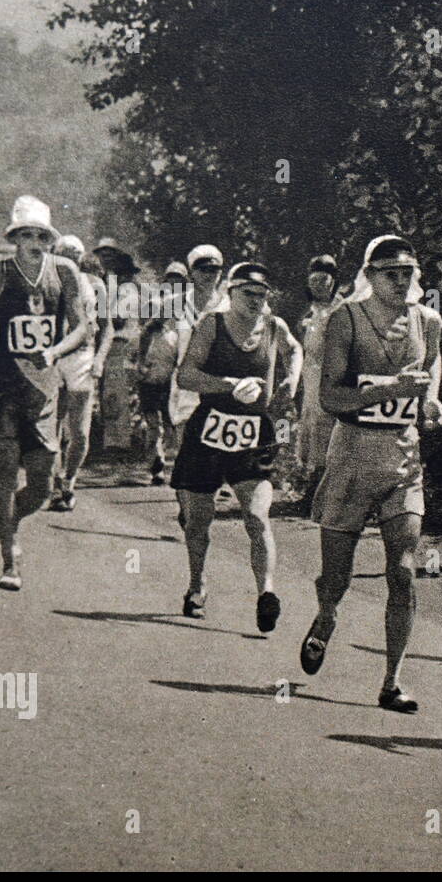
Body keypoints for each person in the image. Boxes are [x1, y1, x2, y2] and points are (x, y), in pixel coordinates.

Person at [297, 235, 442, 712]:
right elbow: (332, 398)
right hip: (352, 456)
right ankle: (326, 617)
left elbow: (431, 365)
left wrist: (430, 401)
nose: (401, 282)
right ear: (370, 276)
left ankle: (392, 680)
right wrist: (389, 389)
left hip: (403, 459)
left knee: (402, 572)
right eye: (390, 274)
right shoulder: (347, 320)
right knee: (335, 576)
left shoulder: (428, 321)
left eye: (408, 273)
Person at [0, 196, 90, 588]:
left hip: (44, 390)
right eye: (26, 235)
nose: (34, 242)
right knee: (7, 473)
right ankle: (11, 559)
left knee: (41, 486)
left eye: (40, 235)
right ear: (15, 238)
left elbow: (83, 328)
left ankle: (5, 521)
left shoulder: (66, 272)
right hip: (3, 388)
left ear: (49, 239)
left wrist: (56, 351)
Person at [170, 262, 302, 630]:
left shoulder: (275, 327)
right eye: (248, 294)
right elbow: (186, 375)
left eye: (262, 295)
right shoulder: (212, 325)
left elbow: (296, 352)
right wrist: (230, 384)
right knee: (198, 519)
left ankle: (267, 593)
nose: (256, 301)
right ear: (231, 293)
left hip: (253, 434)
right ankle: (197, 585)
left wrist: (291, 380)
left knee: (258, 516)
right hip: (209, 431)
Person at [46, 235, 104, 510]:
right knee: (52, 425)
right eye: (65, 254)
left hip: (82, 358)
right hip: (55, 357)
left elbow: (108, 327)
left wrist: (100, 359)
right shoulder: (47, 283)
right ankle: (57, 485)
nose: (70, 259)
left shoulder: (95, 285)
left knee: (80, 431)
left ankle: (70, 479)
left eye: (75, 255)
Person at [295, 254, 345, 512]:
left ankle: (324, 496)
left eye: (324, 280)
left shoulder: (341, 309)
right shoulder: (310, 310)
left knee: (327, 433)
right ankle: (312, 489)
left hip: (331, 377)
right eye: (313, 280)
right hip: (310, 378)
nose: (318, 285)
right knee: (311, 431)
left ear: (333, 281)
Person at [135, 263, 185, 484]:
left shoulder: (189, 308)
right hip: (154, 369)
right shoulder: (157, 305)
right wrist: (140, 362)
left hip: (176, 373)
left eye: (179, 280)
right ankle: (157, 464)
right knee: (154, 421)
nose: (174, 284)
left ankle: (180, 466)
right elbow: (146, 332)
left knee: (173, 421)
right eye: (170, 280)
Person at [167, 244, 226, 430]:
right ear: (192, 272)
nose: (209, 275)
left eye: (214, 270)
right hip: (187, 379)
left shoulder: (228, 305)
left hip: (221, 378)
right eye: (203, 270)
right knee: (185, 433)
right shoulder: (176, 304)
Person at [93, 237, 141, 451]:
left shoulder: (127, 285)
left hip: (119, 342)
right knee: (104, 392)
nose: (106, 258)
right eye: (102, 254)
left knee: (115, 392)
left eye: (110, 254)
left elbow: (119, 316)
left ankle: (117, 441)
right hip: (103, 341)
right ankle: (106, 437)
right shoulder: (102, 280)